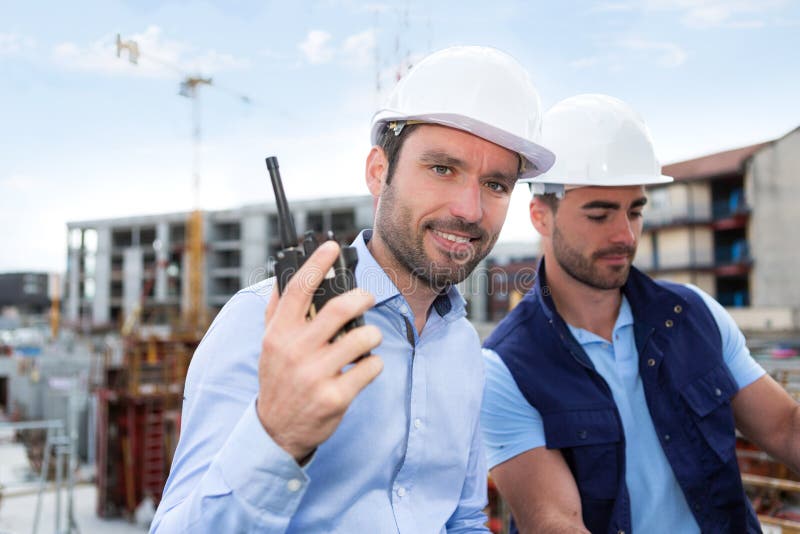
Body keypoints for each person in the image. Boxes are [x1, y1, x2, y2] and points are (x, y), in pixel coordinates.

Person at [150, 46, 555, 533]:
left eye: (495, 184)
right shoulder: (262, 323)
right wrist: (275, 436)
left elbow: (460, 518)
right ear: (378, 172)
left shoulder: (463, 347)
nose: (469, 209)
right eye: (442, 169)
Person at [481, 94, 800, 533]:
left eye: (635, 211)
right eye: (599, 215)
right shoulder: (506, 367)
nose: (625, 235)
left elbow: (786, 430)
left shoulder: (694, 315)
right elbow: (555, 522)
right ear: (541, 216)